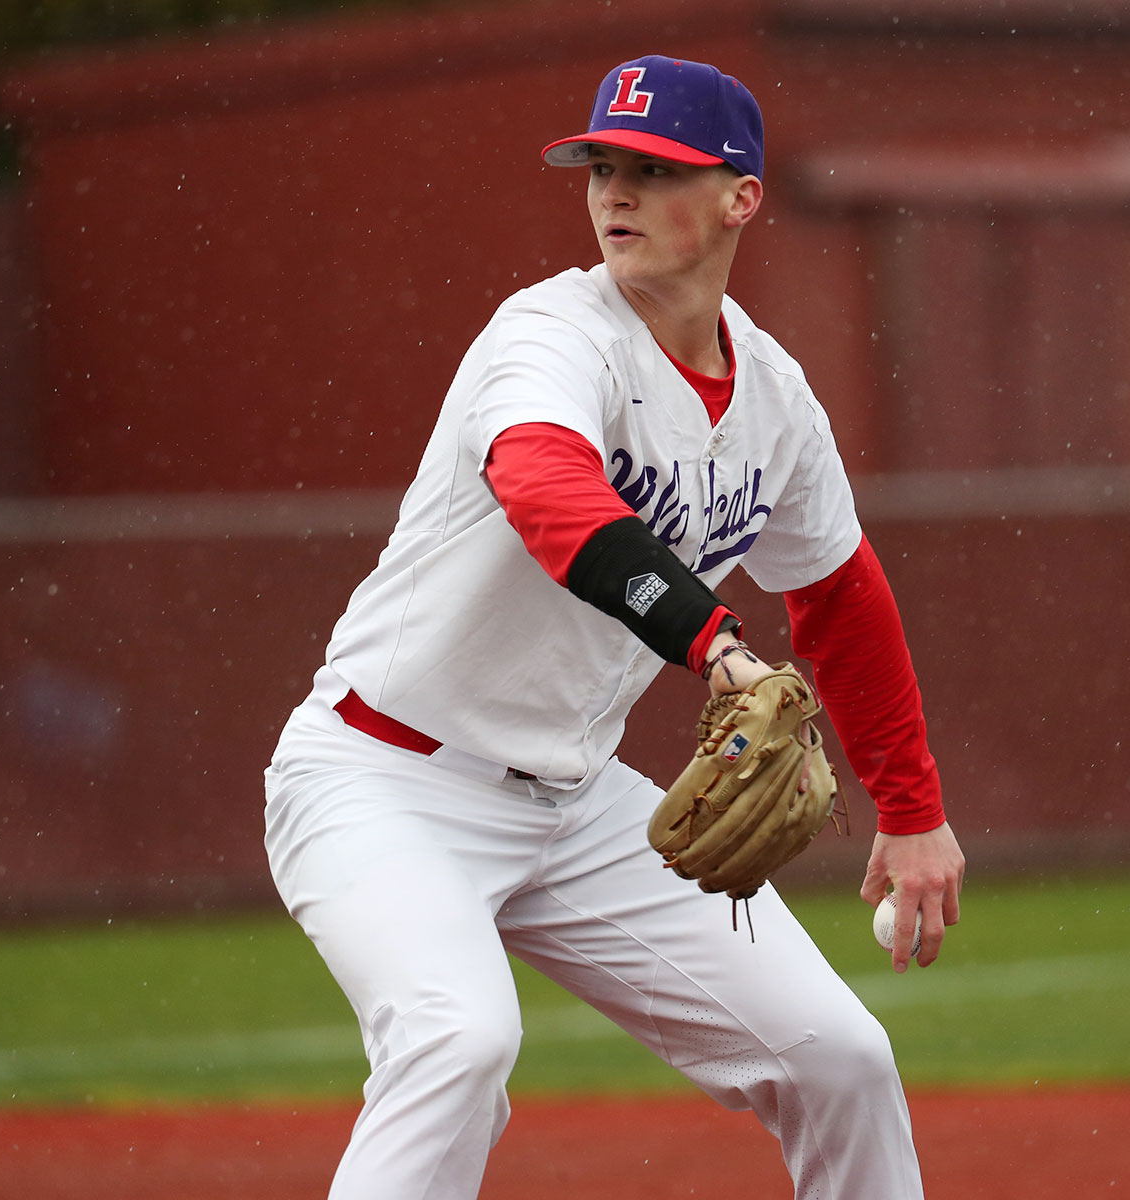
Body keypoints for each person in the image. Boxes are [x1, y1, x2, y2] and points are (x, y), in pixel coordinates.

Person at [262, 53, 965, 1199]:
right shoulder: (546, 338)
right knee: (459, 1037)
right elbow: (551, 494)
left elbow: (840, 597)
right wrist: (717, 646)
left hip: (575, 805)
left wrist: (915, 810)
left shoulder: (776, 399)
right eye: (599, 166)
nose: (613, 193)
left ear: (741, 196)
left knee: (841, 1058)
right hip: (381, 777)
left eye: (653, 169)